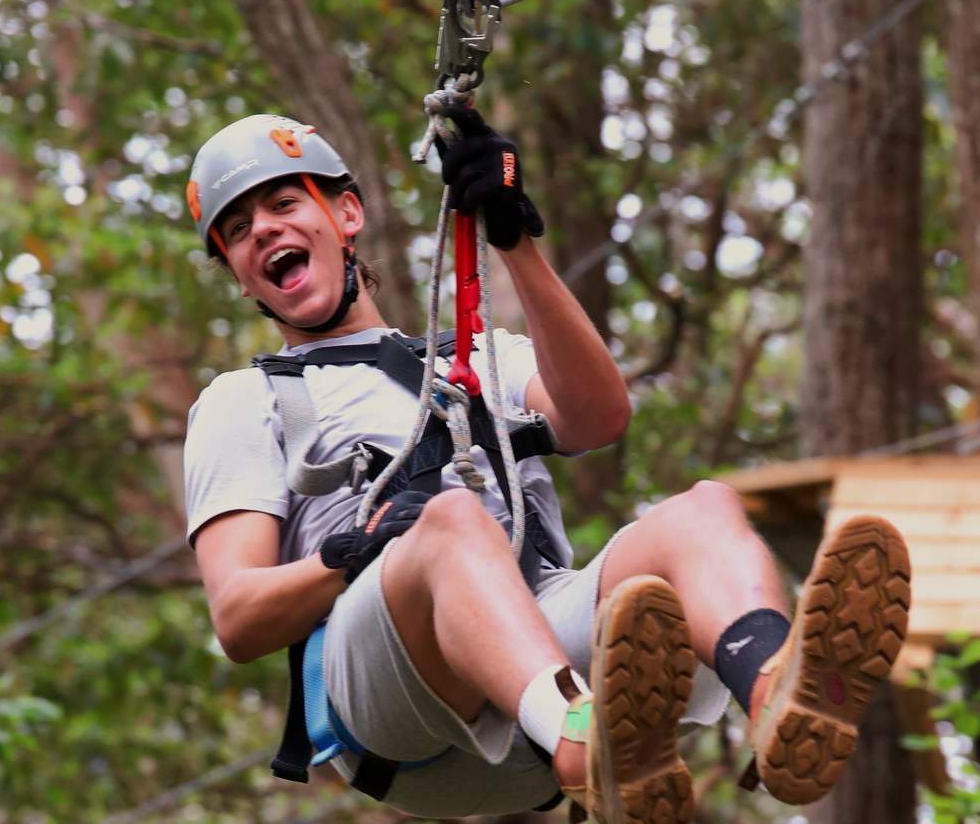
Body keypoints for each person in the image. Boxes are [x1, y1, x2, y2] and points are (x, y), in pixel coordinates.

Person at [182, 110, 912, 822]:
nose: (265, 232)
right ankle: (580, 741)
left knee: (703, 509)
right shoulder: (248, 399)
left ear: (346, 213)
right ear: (242, 278)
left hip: (533, 649)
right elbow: (239, 616)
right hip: (392, 705)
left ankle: (776, 691)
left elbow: (597, 416)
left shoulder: (467, 356)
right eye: (239, 231)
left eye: (282, 203)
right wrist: (347, 554)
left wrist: (511, 237)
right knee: (450, 520)